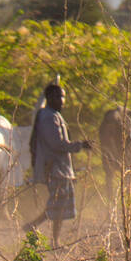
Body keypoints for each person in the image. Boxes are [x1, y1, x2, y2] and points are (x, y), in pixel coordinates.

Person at [25, 78, 93, 248]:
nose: (62, 100)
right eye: (58, 97)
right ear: (49, 98)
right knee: (57, 204)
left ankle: (50, 237)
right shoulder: (49, 117)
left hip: (59, 167)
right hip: (54, 168)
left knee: (59, 206)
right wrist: (80, 145)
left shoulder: (53, 115)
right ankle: (36, 228)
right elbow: (57, 144)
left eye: (63, 97)